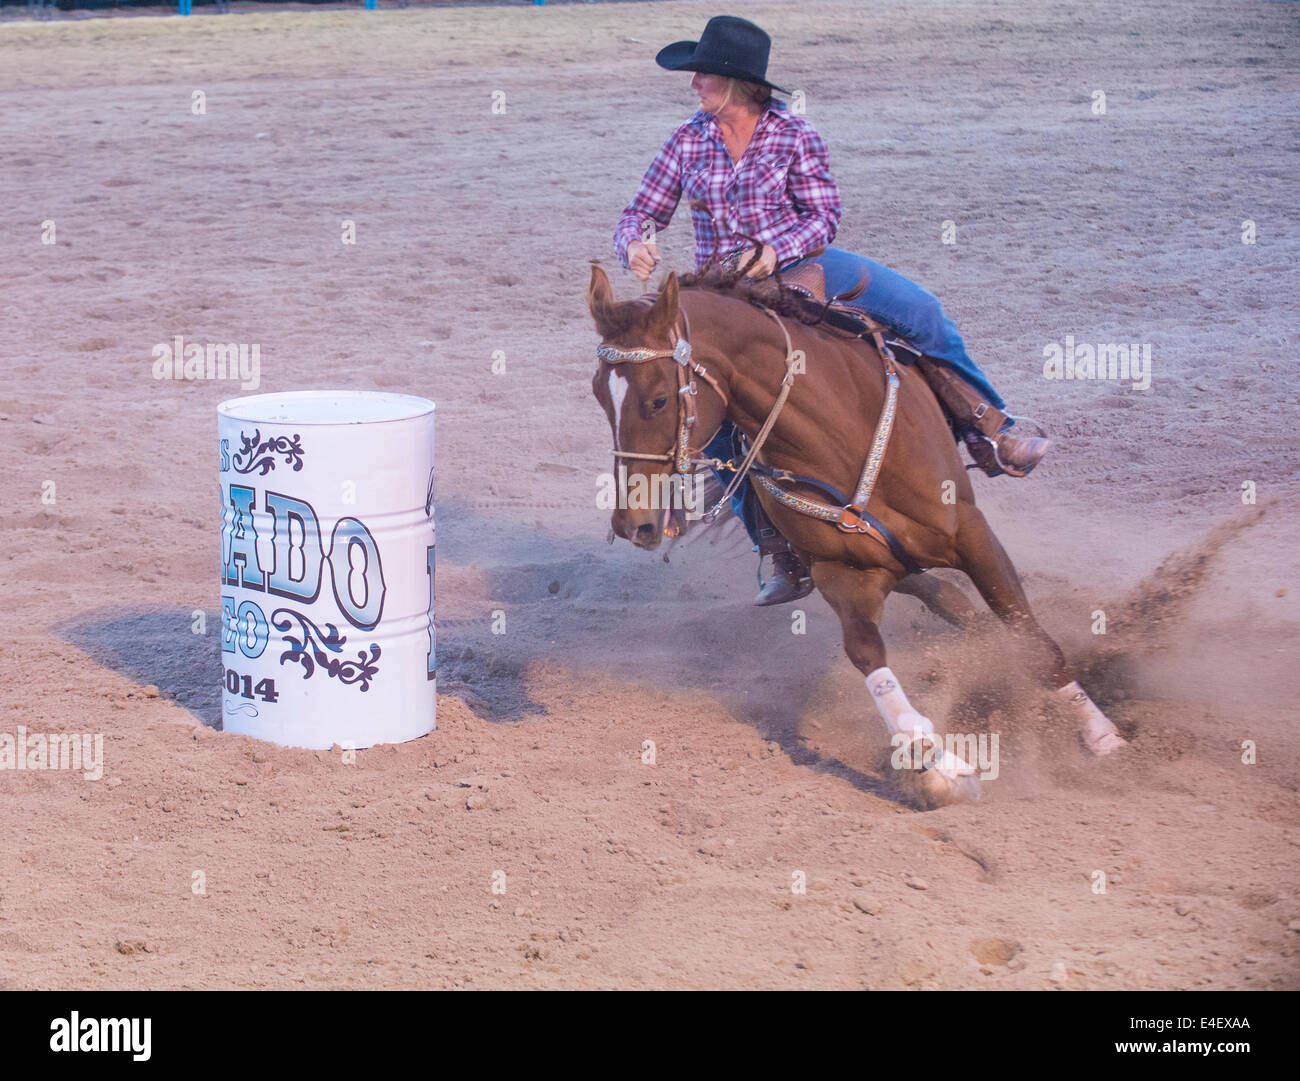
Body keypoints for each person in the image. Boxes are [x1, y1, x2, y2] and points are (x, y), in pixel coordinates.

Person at [613, 15, 1050, 606]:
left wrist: (774, 250)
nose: (694, 85)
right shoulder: (686, 139)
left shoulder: (794, 134)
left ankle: (990, 428)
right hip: (722, 293)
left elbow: (822, 218)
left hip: (805, 267)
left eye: (704, 75)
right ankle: (774, 544)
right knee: (710, 419)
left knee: (919, 312)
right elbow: (641, 210)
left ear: (738, 84)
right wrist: (635, 241)